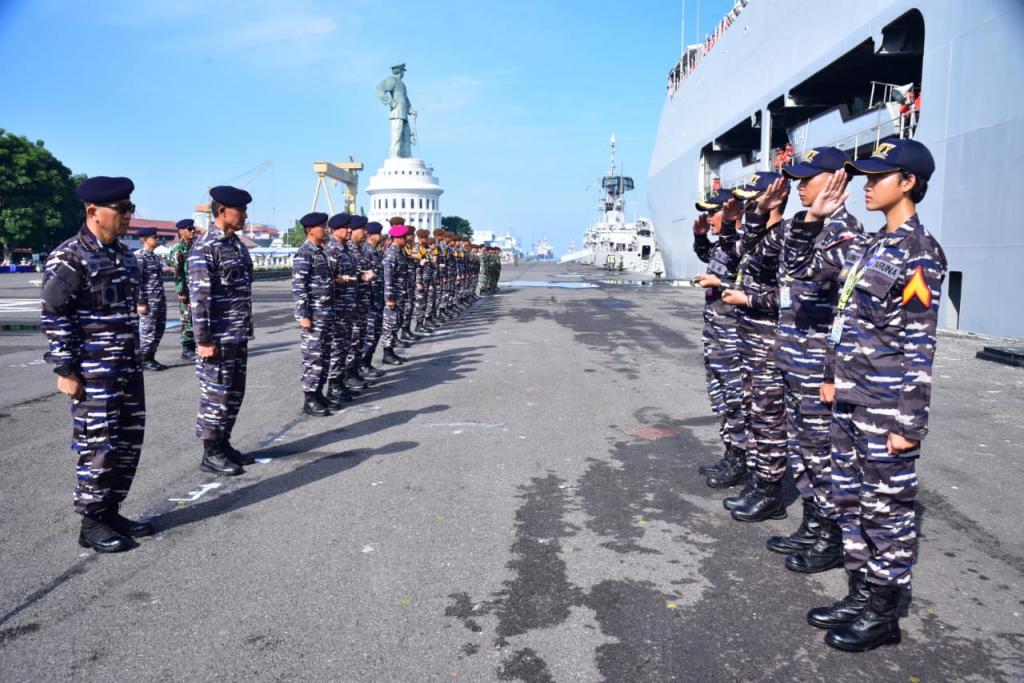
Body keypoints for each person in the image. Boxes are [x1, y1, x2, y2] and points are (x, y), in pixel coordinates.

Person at [796, 138, 945, 651]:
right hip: (850, 399)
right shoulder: (874, 246)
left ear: (908, 183)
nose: (866, 186)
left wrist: (909, 424)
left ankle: (883, 612)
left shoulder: (919, 254)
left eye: (878, 177)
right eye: (864, 177)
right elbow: (848, 319)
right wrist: (833, 377)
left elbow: (918, 344)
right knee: (852, 502)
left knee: (889, 511)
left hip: (886, 409)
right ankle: (860, 595)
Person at [40, 176, 152, 552]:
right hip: (93, 373)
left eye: (129, 208)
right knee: (98, 446)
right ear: (93, 212)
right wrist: (65, 370)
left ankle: (109, 511)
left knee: (127, 444)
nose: (128, 216)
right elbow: (55, 315)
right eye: (121, 209)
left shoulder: (123, 254)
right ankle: (90, 523)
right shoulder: (70, 256)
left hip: (125, 367)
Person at [769, 148, 864, 573]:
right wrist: (807, 221)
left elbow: (808, 280)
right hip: (794, 358)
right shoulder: (810, 226)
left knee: (822, 452)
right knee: (802, 449)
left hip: (816, 364)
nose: (800, 186)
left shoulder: (845, 233)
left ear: (837, 179)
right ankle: (813, 521)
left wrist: (813, 224)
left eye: (809, 177)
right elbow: (787, 271)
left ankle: (831, 534)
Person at [718, 173, 789, 522]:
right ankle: (758, 481)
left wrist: (748, 298)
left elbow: (792, 292)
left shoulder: (786, 237)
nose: (748, 206)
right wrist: (730, 224)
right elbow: (733, 254)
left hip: (769, 341)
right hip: (751, 339)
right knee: (754, 414)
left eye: (753, 201)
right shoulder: (761, 237)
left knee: (769, 419)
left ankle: (769, 489)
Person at [189, 185, 255, 476]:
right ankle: (211, 452)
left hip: (237, 333)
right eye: (240, 211)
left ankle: (224, 444)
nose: (244, 215)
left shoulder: (237, 245)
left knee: (233, 394)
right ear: (222, 211)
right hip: (216, 337)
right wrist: (203, 339)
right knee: (215, 396)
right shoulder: (206, 248)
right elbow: (200, 298)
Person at [691, 188, 748, 485]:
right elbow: (710, 256)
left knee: (737, 401)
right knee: (722, 399)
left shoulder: (747, 242)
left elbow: (752, 280)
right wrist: (701, 236)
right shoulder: (723, 244)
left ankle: (741, 460)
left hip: (735, 337)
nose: (707, 217)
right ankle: (731, 454)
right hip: (716, 334)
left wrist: (720, 281)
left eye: (711, 212)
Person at [291, 212, 334, 417]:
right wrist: (303, 314)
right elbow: (299, 287)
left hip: (325, 313)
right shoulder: (304, 253)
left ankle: (318, 393)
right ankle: (309, 399)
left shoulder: (320, 252)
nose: (325, 230)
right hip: (314, 315)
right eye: (322, 227)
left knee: (324, 355)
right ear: (310, 230)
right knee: (313, 357)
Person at [324, 213, 359, 406]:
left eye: (350, 227)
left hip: (347, 307)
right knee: (337, 348)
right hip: (336, 308)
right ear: (334, 230)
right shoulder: (332, 250)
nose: (349, 230)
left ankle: (339, 381)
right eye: (346, 227)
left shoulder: (344, 249)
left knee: (345, 345)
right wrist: (341, 279)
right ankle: (333, 384)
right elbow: (325, 278)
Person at [135, 226, 168, 371]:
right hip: (148, 301)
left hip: (158, 298)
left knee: (159, 329)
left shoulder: (154, 256)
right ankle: (143, 359)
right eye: (154, 237)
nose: (157, 239)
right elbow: (137, 282)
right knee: (147, 331)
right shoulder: (139, 257)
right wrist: (141, 302)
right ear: (145, 240)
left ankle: (150, 357)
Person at [359, 221, 387, 376]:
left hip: (377, 299)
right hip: (369, 301)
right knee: (369, 334)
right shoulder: (365, 251)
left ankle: (367, 363)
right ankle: (362, 364)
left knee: (376, 332)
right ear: (371, 235)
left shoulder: (374, 251)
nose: (381, 236)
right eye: (378, 233)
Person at [381, 224, 411, 364]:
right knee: (389, 324)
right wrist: (389, 297)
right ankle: (387, 353)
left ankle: (391, 352)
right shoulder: (391, 253)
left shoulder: (399, 252)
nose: (406, 239)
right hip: (393, 295)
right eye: (404, 237)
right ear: (397, 238)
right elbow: (388, 277)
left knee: (395, 323)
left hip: (400, 294)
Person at [168, 219, 197, 359]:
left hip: (196, 289)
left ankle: (194, 345)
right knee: (187, 318)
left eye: (193, 228)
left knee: (196, 317)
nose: (193, 231)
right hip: (186, 290)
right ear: (181, 231)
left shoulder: (194, 246)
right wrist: (180, 291)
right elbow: (177, 272)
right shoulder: (178, 248)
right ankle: (187, 349)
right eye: (190, 229)